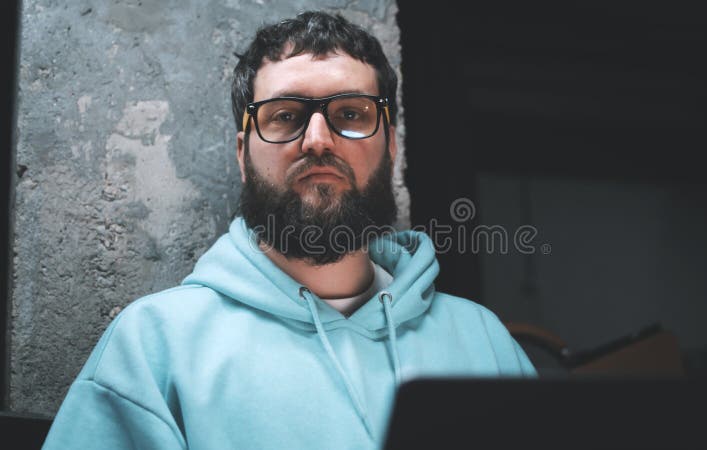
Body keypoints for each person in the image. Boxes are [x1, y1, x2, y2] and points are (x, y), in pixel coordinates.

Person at [42, 11, 536, 450]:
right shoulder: (152, 348)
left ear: (391, 147)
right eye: (285, 116)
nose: (318, 141)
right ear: (242, 154)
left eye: (350, 114)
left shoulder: (483, 344)